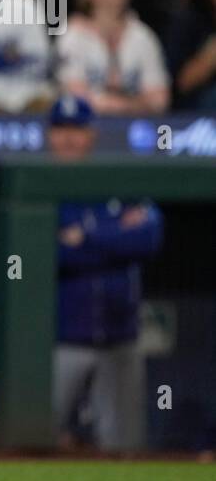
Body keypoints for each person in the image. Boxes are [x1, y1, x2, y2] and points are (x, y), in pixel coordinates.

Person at [49, 95, 162, 452]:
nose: (69, 138)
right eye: (61, 130)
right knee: (36, 443)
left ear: (92, 135)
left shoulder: (117, 180)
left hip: (120, 339)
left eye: (77, 130)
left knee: (123, 448)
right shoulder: (39, 186)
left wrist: (86, 237)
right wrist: (115, 235)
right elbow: (52, 254)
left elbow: (149, 237)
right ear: (49, 136)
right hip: (59, 339)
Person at [57, 0, 170, 115]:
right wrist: (134, 104)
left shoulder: (143, 36)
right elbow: (75, 97)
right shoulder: (73, 36)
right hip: (85, 128)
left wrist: (113, 104)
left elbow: (160, 99)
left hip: (135, 128)